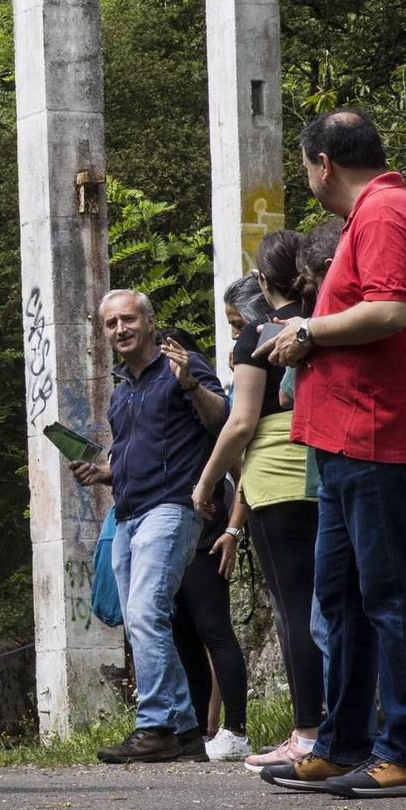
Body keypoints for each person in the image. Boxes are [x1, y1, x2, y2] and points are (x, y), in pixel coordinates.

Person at [259, 109, 406, 799]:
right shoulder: (362, 219)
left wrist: (306, 329)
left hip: (379, 438)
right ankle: (342, 745)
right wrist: (302, 331)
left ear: (323, 163)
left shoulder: (388, 211)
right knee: (340, 596)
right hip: (342, 442)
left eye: (304, 164)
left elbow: (390, 310)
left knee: (392, 595)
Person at [70, 290, 227, 764]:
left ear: (151, 321)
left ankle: (154, 724)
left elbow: (222, 420)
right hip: (127, 513)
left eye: (129, 319)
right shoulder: (122, 392)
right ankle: (183, 728)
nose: (121, 329)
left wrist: (191, 387)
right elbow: (136, 453)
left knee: (144, 611)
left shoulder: (184, 366)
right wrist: (104, 472)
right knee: (142, 620)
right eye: (111, 323)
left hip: (173, 506)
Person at [194, 233, 321, 770]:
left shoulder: (259, 336)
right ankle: (354, 726)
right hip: (330, 465)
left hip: (276, 475)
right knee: (336, 604)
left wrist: (206, 482)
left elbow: (241, 422)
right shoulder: (325, 322)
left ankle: (308, 732)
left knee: (295, 610)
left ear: (263, 283)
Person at [159, 323, 250, 763]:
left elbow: (242, 473)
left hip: (206, 538)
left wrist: (232, 532)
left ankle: (236, 729)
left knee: (215, 632)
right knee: (182, 639)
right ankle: (196, 731)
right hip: (171, 539)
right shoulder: (163, 417)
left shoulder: (210, 412)